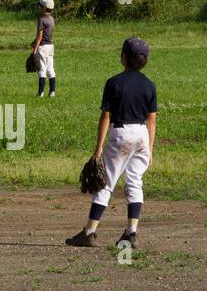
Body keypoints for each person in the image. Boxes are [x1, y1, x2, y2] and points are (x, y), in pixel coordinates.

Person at [66, 36, 158, 249]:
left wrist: (98, 149)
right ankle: (131, 232)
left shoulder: (114, 82)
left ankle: (89, 233)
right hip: (142, 135)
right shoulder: (149, 85)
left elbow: (106, 116)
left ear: (123, 58)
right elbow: (151, 119)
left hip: (121, 134)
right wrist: (150, 149)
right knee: (135, 182)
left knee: (106, 183)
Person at [32, 0, 56, 98]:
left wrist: (35, 49)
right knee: (50, 69)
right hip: (50, 46)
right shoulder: (51, 18)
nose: (38, 7)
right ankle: (52, 92)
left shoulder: (41, 19)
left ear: (44, 8)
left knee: (42, 69)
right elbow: (47, 34)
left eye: (40, 6)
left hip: (42, 47)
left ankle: (40, 93)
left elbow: (40, 36)